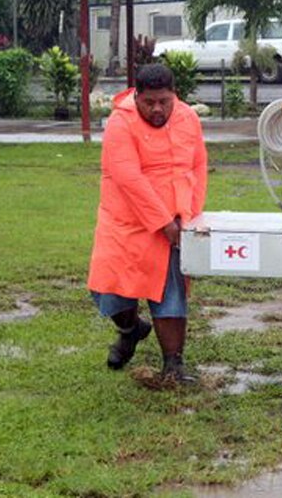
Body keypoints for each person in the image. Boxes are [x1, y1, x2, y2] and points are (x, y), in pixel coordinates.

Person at [87, 63, 208, 383]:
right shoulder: (119, 122)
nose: (157, 109)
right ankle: (130, 330)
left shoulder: (188, 118)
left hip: (175, 225)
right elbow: (129, 177)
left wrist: (189, 215)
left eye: (164, 102)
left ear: (174, 96)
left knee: (171, 293)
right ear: (136, 97)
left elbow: (198, 167)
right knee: (108, 292)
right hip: (125, 222)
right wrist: (161, 221)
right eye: (149, 102)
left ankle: (173, 366)